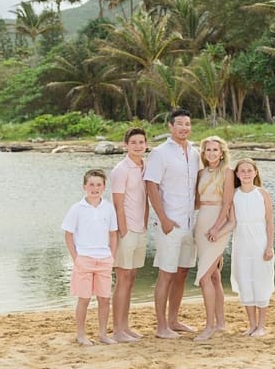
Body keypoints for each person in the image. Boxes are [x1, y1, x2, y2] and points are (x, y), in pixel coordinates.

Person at [143, 108, 200, 339]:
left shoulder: (195, 153)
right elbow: (151, 186)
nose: (184, 128)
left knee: (182, 272)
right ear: (170, 126)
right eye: (180, 124)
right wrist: (164, 219)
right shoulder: (160, 153)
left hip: (190, 223)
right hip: (170, 223)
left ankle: (174, 320)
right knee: (166, 273)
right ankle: (161, 326)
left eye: (187, 124)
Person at [61, 168, 118, 346]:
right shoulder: (77, 209)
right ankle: (81, 334)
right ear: (84, 186)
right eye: (91, 185)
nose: (95, 188)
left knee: (104, 298)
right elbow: (68, 234)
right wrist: (75, 258)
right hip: (84, 259)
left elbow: (113, 234)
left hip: (104, 259)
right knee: (84, 298)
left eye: (99, 185)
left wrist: (112, 257)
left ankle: (103, 334)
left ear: (104, 187)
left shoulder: (108, 208)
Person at [193, 135, 236, 341]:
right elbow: (195, 202)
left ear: (222, 153)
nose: (211, 153)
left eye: (215, 150)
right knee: (214, 276)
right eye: (208, 150)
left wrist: (217, 228)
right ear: (204, 153)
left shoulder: (228, 173)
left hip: (216, 226)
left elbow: (227, 203)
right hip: (201, 223)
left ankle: (209, 326)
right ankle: (220, 323)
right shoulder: (200, 173)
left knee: (204, 277)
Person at [109, 127, 149, 342]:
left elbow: (146, 198)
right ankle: (117, 330)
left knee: (131, 279)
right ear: (126, 145)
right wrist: (123, 232)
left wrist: (144, 224)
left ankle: (125, 326)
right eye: (133, 142)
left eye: (141, 142)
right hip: (126, 232)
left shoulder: (144, 166)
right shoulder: (120, 170)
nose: (138, 146)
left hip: (140, 230)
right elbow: (118, 205)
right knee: (122, 278)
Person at [230, 158, 275, 337]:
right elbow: (231, 221)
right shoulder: (233, 194)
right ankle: (251, 324)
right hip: (241, 243)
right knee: (245, 281)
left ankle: (262, 325)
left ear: (255, 173)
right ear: (237, 174)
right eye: (242, 171)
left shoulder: (263, 193)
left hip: (260, 242)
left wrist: (269, 247)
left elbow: (270, 221)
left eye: (250, 170)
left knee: (261, 281)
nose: (246, 174)